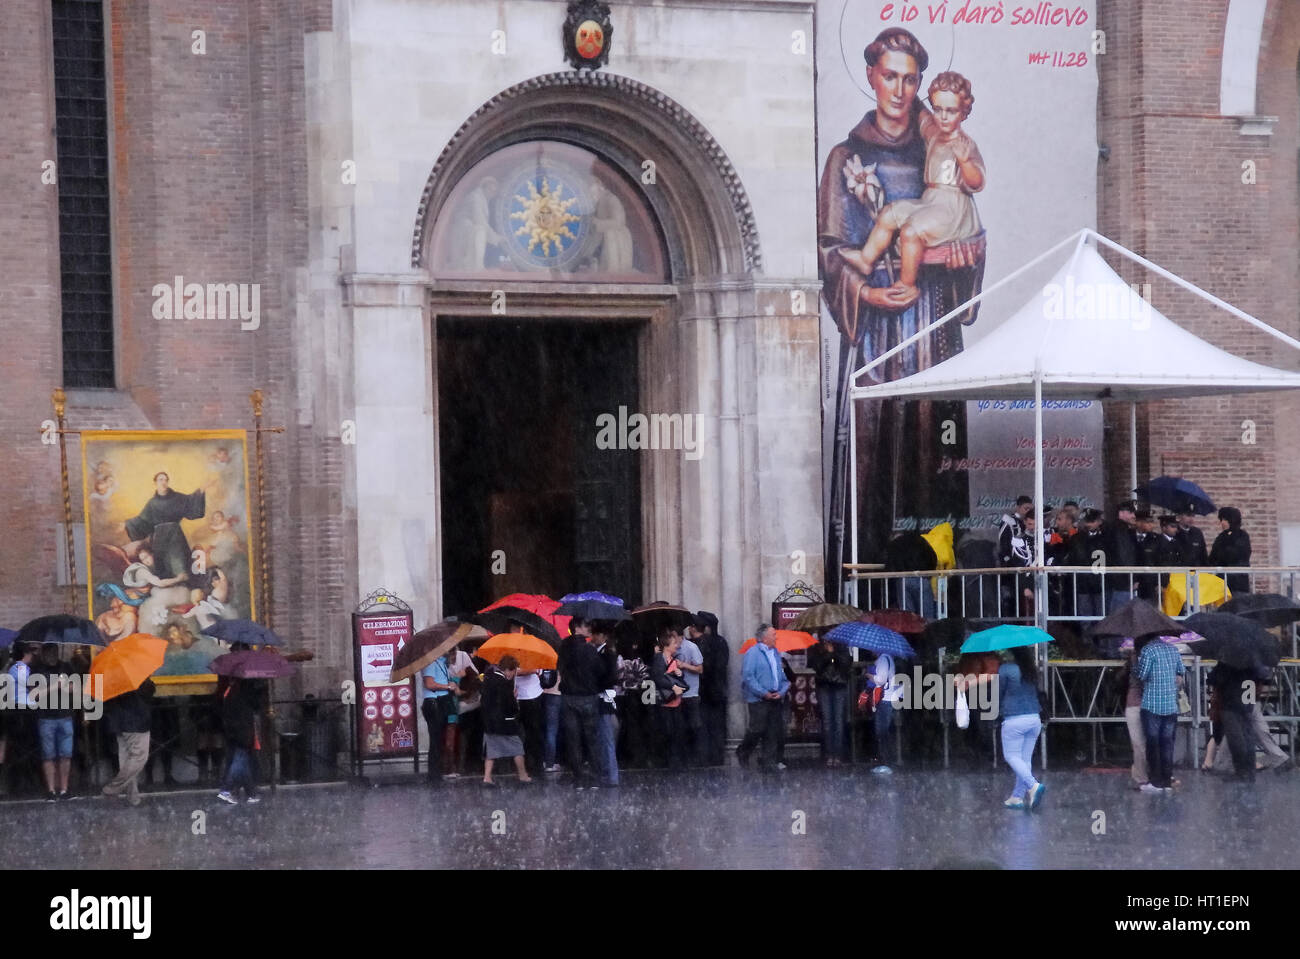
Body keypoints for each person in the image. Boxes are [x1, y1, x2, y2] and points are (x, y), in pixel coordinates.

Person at [819, 27, 982, 595]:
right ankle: (865, 585)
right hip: (876, 330)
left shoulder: (940, 145)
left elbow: (967, 222)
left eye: (910, 78)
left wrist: (962, 258)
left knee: (932, 441)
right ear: (870, 76)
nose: (899, 88)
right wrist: (865, 294)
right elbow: (829, 250)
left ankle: (939, 588)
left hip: (931, 319)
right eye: (889, 75)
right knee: (874, 447)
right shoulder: (846, 157)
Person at [839, 71, 984, 307]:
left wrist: (966, 162)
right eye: (938, 109)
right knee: (889, 214)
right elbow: (921, 113)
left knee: (910, 232)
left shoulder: (965, 145)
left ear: (963, 112)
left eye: (951, 111)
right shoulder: (934, 133)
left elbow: (976, 183)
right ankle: (866, 259)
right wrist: (906, 86)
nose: (943, 117)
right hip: (931, 199)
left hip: (952, 208)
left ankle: (908, 285)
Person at [994, 646, 1045, 810]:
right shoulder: (1031, 670)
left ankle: (1033, 785)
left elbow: (998, 693)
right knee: (1024, 760)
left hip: (1014, 718)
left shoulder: (1006, 669)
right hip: (1034, 718)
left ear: (1011, 652)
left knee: (1011, 756)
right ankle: (1017, 796)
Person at [558, 619, 606, 789]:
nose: (589, 628)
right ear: (577, 628)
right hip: (587, 696)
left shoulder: (564, 648)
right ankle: (594, 777)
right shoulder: (589, 650)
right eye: (586, 626)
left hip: (569, 697)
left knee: (573, 740)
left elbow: (560, 668)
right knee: (591, 738)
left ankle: (578, 778)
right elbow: (601, 671)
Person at [1136, 635, 1185, 793]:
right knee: (1167, 744)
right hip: (1170, 705)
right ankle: (1166, 781)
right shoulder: (1173, 649)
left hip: (1152, 704)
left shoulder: (1148, 650)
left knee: (1153, 744)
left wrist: (1135, 664)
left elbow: (1142, 675)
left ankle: (1155, 782)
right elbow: (1181, 672)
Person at [737, 624, 789, 771]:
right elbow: (748, 676)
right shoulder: (753, 653)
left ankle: (769, 762)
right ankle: (743, 750)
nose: (776, 637)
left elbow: (783, 678)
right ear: (764, 638)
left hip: (775, 697)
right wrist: (763, 692)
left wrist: (782, 691)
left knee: (772, 730)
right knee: (757, 729)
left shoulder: (776, 653)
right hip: (759, 699)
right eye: (773, 634)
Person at [32, 644, 77, 801]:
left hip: (65, 715)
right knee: (48, 755)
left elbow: (75, 687)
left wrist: (66, 687)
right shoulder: (37, 670)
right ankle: (51, 790)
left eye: (55, 652)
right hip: (46, 717)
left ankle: (64, 789)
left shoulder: (66, 667)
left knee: (66, 754)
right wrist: (54, 686)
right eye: (49, 653)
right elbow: (34, 694)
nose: (52, 655)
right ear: (44, 654)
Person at [101, 679, 156, 806]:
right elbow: (149, 692)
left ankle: (133, 797)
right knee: (139, 757)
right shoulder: (135, 676)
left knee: (126, 760)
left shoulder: (112, 676)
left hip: (119, 722)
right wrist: (148, 680)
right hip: (136, 722)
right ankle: (112, 789)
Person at [480, 655, 532, 786]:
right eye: (514, 671)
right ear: (509, 669)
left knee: (491, 751)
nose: (514, 674)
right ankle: (523, 775)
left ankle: (487, 777)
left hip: (490, 722)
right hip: (505, 723)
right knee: (517, 748)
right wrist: (514, 698)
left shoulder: (489, 678)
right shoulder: (503, 683)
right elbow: (510, 706)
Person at [217, 675, 268, 804]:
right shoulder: (242, 691)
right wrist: (262, 687)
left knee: (242, 762)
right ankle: (226, 789)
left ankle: (251, 792)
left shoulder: (229, 690)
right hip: (242, 732)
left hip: (232, 730)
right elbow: (255, 705)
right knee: (239, 761)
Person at [807, 638, 852, 766]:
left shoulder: (842, 648)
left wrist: (833, 654)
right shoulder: (818, 649)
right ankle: (829, 754)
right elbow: (817, 666)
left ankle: (838, 754)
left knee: (838, 721)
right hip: (824, 686)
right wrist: (827, 655)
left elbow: (846, 665)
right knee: (827, 721)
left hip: (839, 686)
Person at [693, 612, 730, 766]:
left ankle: (707, 758)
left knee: (706, 727)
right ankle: (715, 757)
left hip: (707, 692)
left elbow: (706, 668)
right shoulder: (721, 642)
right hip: (716, 692)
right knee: (715, 728)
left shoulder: (706, 644)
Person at [650, 629, 689, 770]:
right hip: (665, 702)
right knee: (667, 731)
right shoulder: (659, 658)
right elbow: (659, 677)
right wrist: (673, 686)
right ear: (666, 645)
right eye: (673, 643)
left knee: (677, 731)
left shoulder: (674, 659)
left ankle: (676, 761)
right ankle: (668, 761)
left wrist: (679, 674)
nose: (676, 645)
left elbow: (673, 677)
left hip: (676, 701)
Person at [419, 651, 459, 786]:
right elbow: (429, 684)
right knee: (435, 739)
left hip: (441, 702)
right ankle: (433, 774)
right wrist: (447, 686)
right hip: (434, 702)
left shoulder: (442, 662)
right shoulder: (430, 662)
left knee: (438, 739)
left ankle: (436, 773)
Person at [590, 622, 621, 786]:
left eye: (595, 634)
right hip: (602, 697)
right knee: (603, 737)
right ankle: (607, 772)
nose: (593, 637)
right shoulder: (601, 652)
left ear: (602, 636)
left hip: (604, 697)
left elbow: (611, 677)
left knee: (606, 737)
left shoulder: (607, 654)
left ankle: (611, 775)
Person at [614, 634, 651, 768]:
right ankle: (636, 755)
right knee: (634, 725)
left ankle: (622, 754)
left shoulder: (618, 659)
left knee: (621, 725)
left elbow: (616, 676)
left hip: (619, 696)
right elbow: (645, 676)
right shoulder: (638, 660)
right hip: (635, 696)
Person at [865, 651, 904, 772]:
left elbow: (880, 680)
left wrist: (868, 675)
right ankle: (886, 761)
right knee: (884, 731)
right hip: (889, 698)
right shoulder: (888, 658)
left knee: (881, 731)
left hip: (884, 698)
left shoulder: (883, 659)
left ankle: (886, 761)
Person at [1066, 508, 1107, 619]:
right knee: (1085, 616)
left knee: (1101, 615)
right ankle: (1086, 636)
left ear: (1099, 521)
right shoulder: (1076, 539)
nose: (1089, 524)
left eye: (1092, 521)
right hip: (1082, 583)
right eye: (1087, 521)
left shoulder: (1105, 538)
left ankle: (1100, 636)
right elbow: (1072, 558)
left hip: (1100, 583)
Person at [1118, 642, 1148, 789]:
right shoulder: (1136, 659)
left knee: (1140, 743)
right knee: (1140, 743)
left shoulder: (1138, 657)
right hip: (1138, 703)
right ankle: (1141, 776)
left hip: (1139, 703)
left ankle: (1141, 775)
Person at [675, 625, 706, 765]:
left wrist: (684, 665)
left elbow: (700, 669)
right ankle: (684, 757)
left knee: (694, 726)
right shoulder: (671, 649)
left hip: (691, 693)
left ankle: (697, 758)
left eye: (674, 636)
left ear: (681, 636)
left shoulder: (691, 647)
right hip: (677, 693)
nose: (673, 640)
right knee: (680, 727)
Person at [1209, 506, 1251, 595]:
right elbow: (1213, 557)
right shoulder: (1221, 537)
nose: (1221, 523)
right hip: (1222, 583)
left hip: (1238, 584)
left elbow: (1239, 555)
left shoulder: (1242, 536)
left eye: (1224, 519)